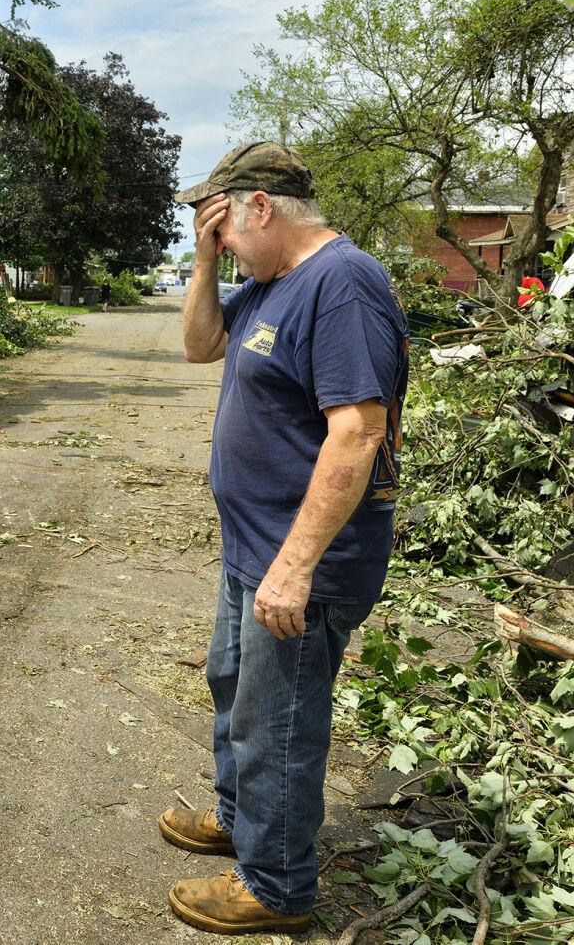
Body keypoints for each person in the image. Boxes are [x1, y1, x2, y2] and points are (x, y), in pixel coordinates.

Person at [161, 143, 408, 935]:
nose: (221, 239)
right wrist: (206, 261)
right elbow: (200, 345)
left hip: (302, 562)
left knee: (279, 724)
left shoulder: (341, 285)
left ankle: (275, 884)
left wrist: (294, 567)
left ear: (259, 206)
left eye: (223, 224)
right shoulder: (266, 284)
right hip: (252, 547)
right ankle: (241, 819)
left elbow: (357, 432)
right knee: (234, 689)